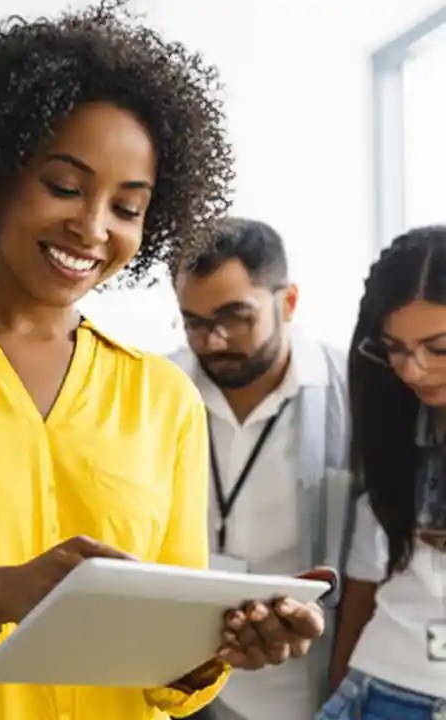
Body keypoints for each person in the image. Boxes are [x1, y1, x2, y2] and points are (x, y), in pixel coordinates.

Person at [0, 4, 327, 720]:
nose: (93, 228)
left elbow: (166, 672)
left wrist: (225, 645)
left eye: (128, 207)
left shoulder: (162, 395)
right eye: (65, 186)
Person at [170, 218, 351, 720]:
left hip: (307, 689)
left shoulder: (352, 394)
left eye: (237, 317)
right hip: (185, 686)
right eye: (195, 322)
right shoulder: (160, 391)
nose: (215, 341)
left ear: (288, 302)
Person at [320, 227, 446, 719]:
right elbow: (366, 580)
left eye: (438, 349)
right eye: (394, 347)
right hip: (380, 688)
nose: (411, 371)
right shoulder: (396, 413)